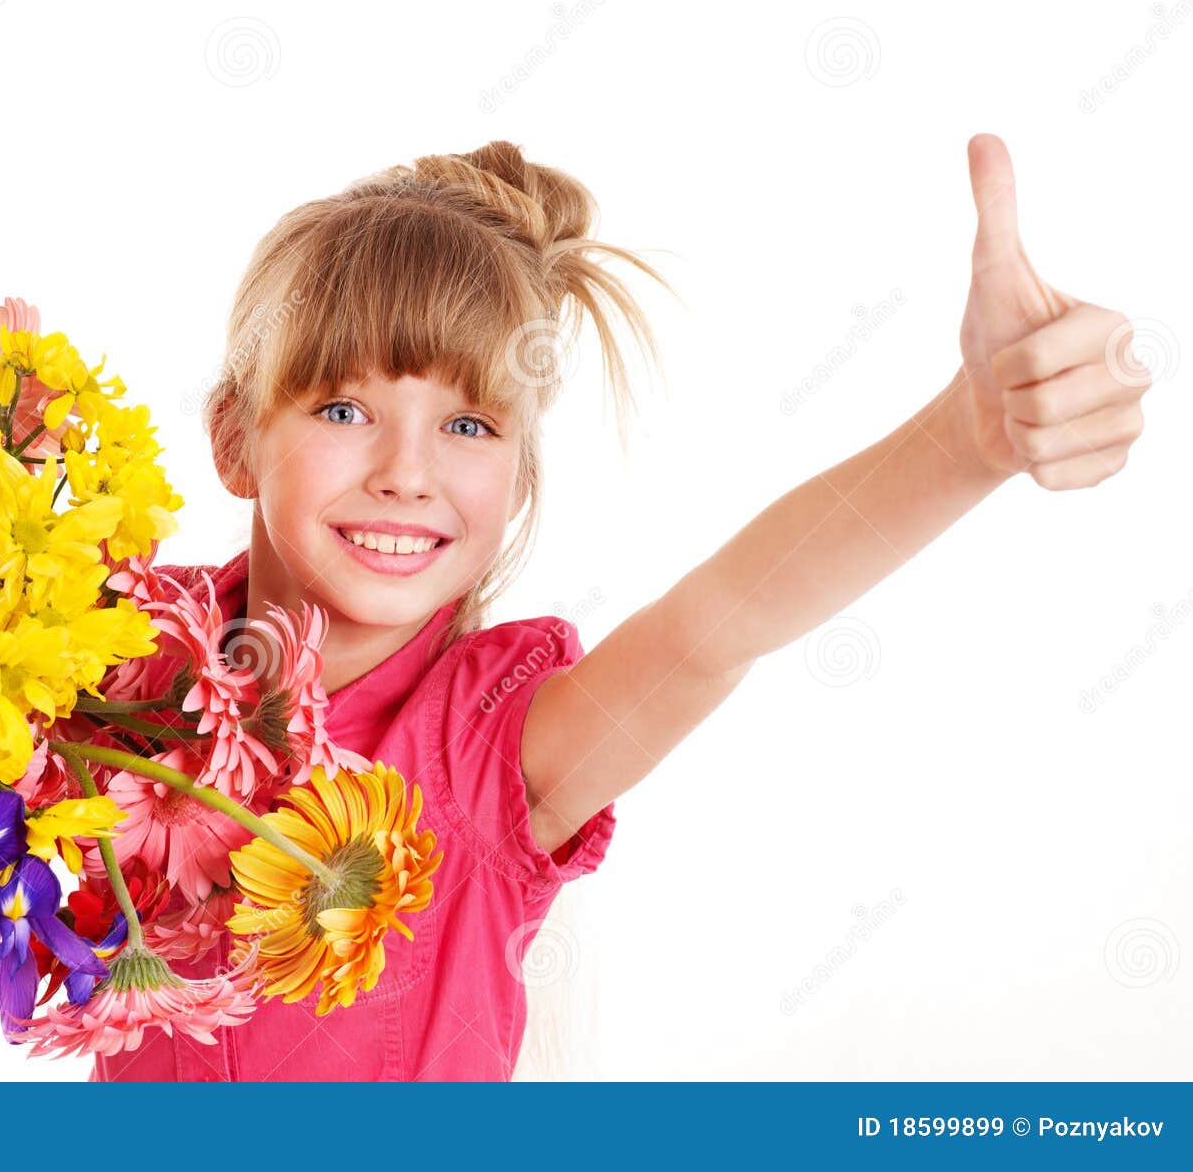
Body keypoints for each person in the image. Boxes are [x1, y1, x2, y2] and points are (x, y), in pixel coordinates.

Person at [85, 135, 1151, 1081]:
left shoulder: (492, 753)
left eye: (469, 427)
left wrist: (967, 440)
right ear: (233, 437)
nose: (408, 473)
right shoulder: (111, 654)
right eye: (345, 407)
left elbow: (715, 628)